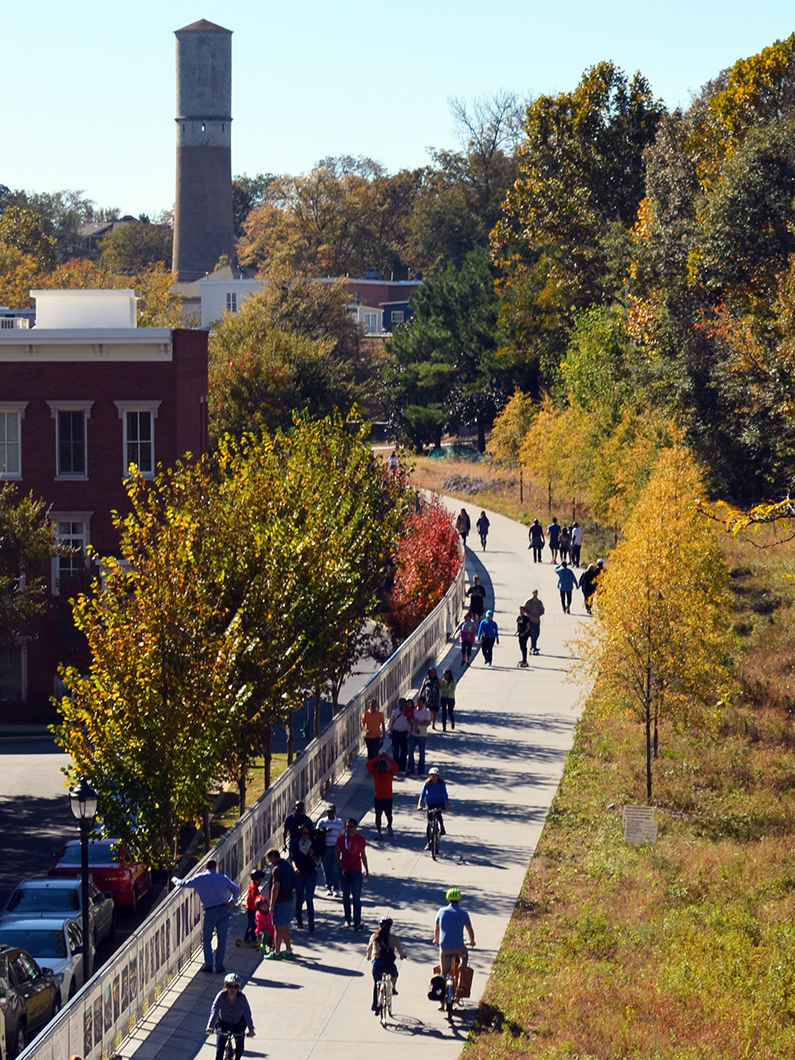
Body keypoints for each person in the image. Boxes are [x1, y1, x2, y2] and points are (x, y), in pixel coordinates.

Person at [172, 859, 239, 974]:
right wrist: (230, 902)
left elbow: (183, 883)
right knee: (222, 939)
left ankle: (208, 964)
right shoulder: (223, 878)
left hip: (210, 910)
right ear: (215, 867)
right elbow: (236, 889)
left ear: (205, 867)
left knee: (207, 938)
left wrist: (174, 879)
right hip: (223, 909)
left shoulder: (199, 878)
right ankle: (219, 966)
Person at [433, 887, 475, 1007]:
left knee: (443, 973)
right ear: (459, 900)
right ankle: (461, 981)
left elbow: (437, 928)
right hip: (458, 947)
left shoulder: (441, 911)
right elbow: (469, 929)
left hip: (444, 947)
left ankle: (441, 1003)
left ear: (448, 899)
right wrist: (471, 941)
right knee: (464, 956)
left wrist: (436, 939)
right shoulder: (463, 914)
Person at [206, 973, 255, 1060]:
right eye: (230, 986)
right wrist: (210, 1026)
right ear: (226, 986)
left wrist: (251, 1029)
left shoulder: (242, 998)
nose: (233, 989)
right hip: (223, 1022)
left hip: (238, 1023)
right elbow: (215, 1010)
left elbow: (247, 1013)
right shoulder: (221, 996)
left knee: (239, 1043)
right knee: (219, 1049)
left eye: (235, 986)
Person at [335, 818, 369, 930]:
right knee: (345, 897)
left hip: (356, 870)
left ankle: (357, 922)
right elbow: (336, 855)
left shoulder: (360, 839)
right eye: (347, 826)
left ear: (356, 827)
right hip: (345, 871)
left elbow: (363, 855)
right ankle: (347, 919)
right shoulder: (341, 839)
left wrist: (367, 870)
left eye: (351, 826)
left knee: (356, 898)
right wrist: (342, 868)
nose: (349, 829)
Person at [367, 917, 406, 1013]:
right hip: (388, 965)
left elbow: (369, 948)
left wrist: (369, 957)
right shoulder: (393, 938)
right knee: (395, 973)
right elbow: (400, 950)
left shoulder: (374, 937)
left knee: (376, 983)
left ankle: (375, 1005)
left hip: (377, 965)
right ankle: (393, 987)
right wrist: (402, 955)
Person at [264, 846, 296, 959]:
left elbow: (275, 887)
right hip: (289, 899)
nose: (270, 862)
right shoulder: (287, 865)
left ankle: (276, 952)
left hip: (280, 901)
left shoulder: (277, 869)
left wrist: (271, 905)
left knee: (277, 927)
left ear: (273, 857)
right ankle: (288, 950)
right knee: (284, 927)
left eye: (270, 859)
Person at [291, 823, 320, 932]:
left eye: (307, 833)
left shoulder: (313, 844)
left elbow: (317, 859)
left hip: (310, 874)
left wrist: (311, 854)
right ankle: (299, 919)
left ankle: (311, 921)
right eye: (303, 833)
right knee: (299, 899)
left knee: (309, 899)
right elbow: (293, 858)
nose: (305, 836)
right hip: (299, 874)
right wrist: (295, 868)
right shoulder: (295, 844)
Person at [366, 751, 399, 837]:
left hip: (388, 798)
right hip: (378, 798)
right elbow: (368, 765)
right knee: (378, 815)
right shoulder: (375, 773)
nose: (381, 769)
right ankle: (379, 832)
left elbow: (396, 766)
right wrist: (377, 758)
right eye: (380, 767)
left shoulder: (390, 773)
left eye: (383, 767)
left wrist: (387, 757)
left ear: (386, 768)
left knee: (389, 815)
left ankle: (389, 825)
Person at [417, 767, 449, 850]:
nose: (434, 777)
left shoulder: (441, 783)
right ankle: (429, 842)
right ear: (430, 776)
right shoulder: (427, 783)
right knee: (429, 822)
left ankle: (442, 827)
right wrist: (419, 805)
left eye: (436, 776)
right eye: (432, 776)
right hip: (430, 803)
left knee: (438, 815)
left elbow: (445, 794)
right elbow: (422, 795)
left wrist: (447, 804)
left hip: (439, 802)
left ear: (438, 776)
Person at [316, 804, 344, 896]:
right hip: (325, 847)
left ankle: (336, 888)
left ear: (335, 812)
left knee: (335, 868)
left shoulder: (339, 822)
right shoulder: (322, 822)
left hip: (335, 848)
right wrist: (324, 831)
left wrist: (342, 849)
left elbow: (342, 835)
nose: (330, 814)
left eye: (331, 812)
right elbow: (316, 834)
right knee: (326, 868)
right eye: (328, 812)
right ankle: (328, 887)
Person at [407, 694, 431, 775]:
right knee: (410, 751)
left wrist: (416, 722)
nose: (418, 703)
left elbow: (427, 722)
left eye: (420, 702)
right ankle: (410, 768)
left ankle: (421, 769)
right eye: (417, 702)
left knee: (421, 752)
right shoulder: (414, 710)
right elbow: (410, 719)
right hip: (413, 734)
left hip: (422, 735)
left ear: (423, 703)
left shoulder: (427, 711)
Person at [387, 699, 411, 771]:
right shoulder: (395, 712)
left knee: (404, 750)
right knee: (395, 750)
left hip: (405, 733)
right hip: (396, 733)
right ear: (399, 704)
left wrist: (410, 733)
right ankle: (396, 765)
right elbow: (391, 722)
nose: (402, 705)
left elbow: (411, 723)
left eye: (403, 703)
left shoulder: (409, 712)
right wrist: (390, 732)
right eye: (401, 703)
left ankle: (402, 766)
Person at [242, 869, 265, 943]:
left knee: (255, 924)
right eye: (261, 878)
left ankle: (253, 938)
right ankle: (247, 938)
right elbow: (251, 899)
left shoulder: (255, 886)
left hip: (253, 908)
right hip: (252, 909)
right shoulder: (253, 888)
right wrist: (257, 905)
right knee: (252, 924)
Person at [524, 590, 545, 654]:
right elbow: (525, 610)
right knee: (533, 634)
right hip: (531, 620)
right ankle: (533, 646)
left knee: (537, 633)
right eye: (534, 593)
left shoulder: (539, 602)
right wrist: (529, 615)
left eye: (536, 593)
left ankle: (533, 645)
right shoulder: (529, 602)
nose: (535, 594)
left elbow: (542, 610)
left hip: (537, 620)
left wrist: (539, 614)